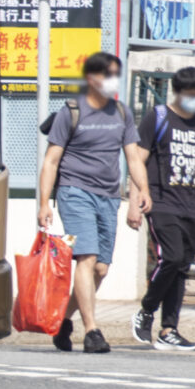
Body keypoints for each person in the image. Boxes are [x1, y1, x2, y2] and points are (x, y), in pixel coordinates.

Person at [36, 51, 137, 353]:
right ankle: (92, 331)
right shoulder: (71, 111)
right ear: (92, 78)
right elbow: (51, 161)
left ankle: (64, 321)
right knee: (86, 258)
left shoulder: (122, 113)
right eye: (107, 74)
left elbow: (133, 157)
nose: (113, 80)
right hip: (75, 192)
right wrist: (44, 203)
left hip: (109, 196)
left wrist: (140, 192)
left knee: (100, 269)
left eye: (116, 75)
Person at [127, 66, 195, 351]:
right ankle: (147, 309)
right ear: (178, 93)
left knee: (181, 267)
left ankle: (169, 330)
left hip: (191, 205)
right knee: (170, 257)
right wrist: (134, 203)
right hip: (160, 201)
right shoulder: (158, 117)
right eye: (192, 94)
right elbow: (138, 161)